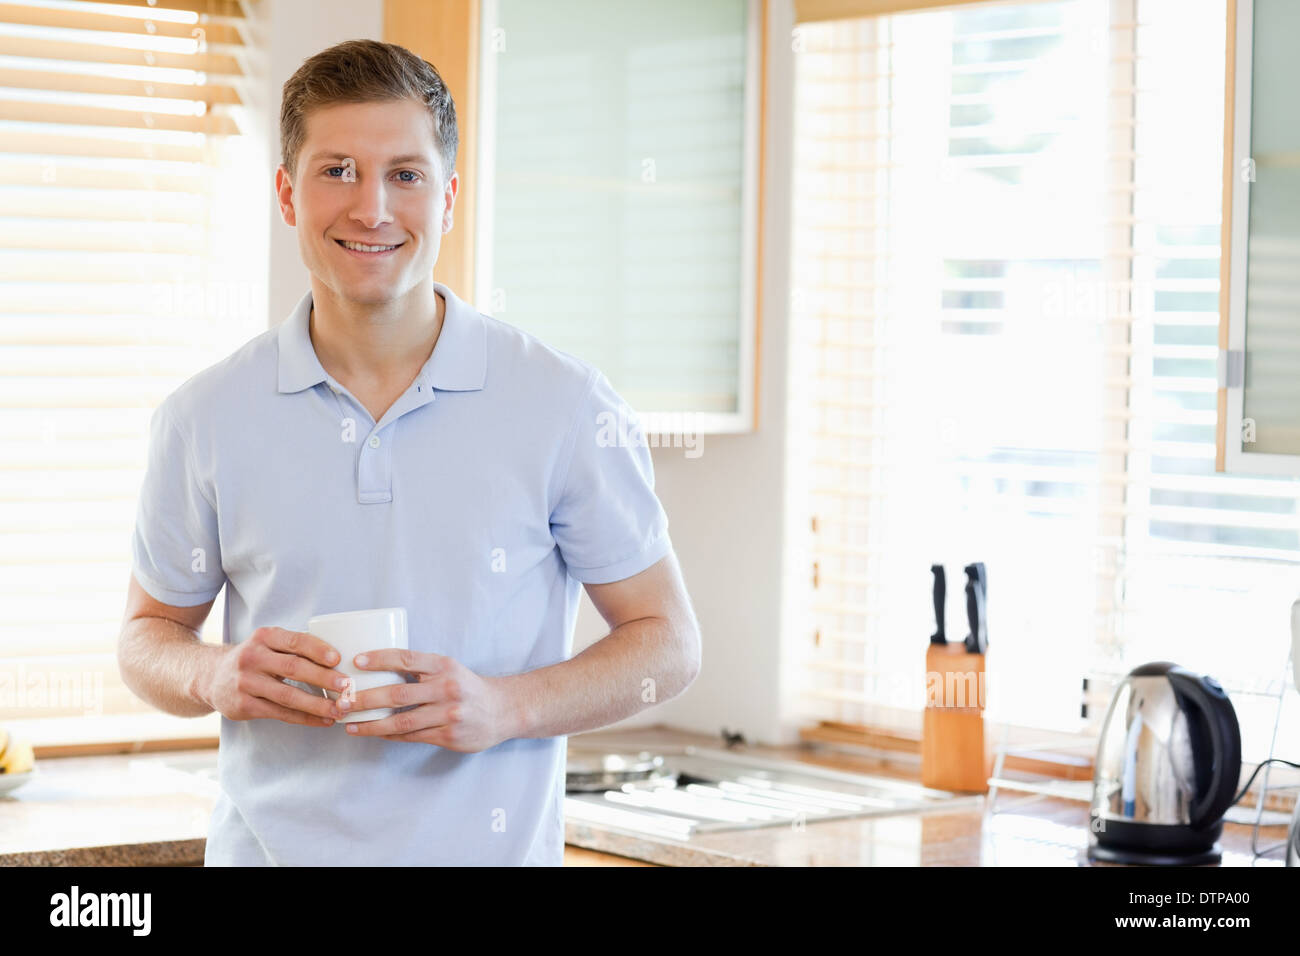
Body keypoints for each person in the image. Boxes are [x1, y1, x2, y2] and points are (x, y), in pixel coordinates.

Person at [117, 39, 701, 866]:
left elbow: (668, 640)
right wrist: (214, 676)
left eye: (405, 174)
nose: (372, 209)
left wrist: (507, 707)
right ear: (287, 193)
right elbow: (146, 637)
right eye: (338, 170)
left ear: (448, 197)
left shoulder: (563, 404)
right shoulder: (204, 417)